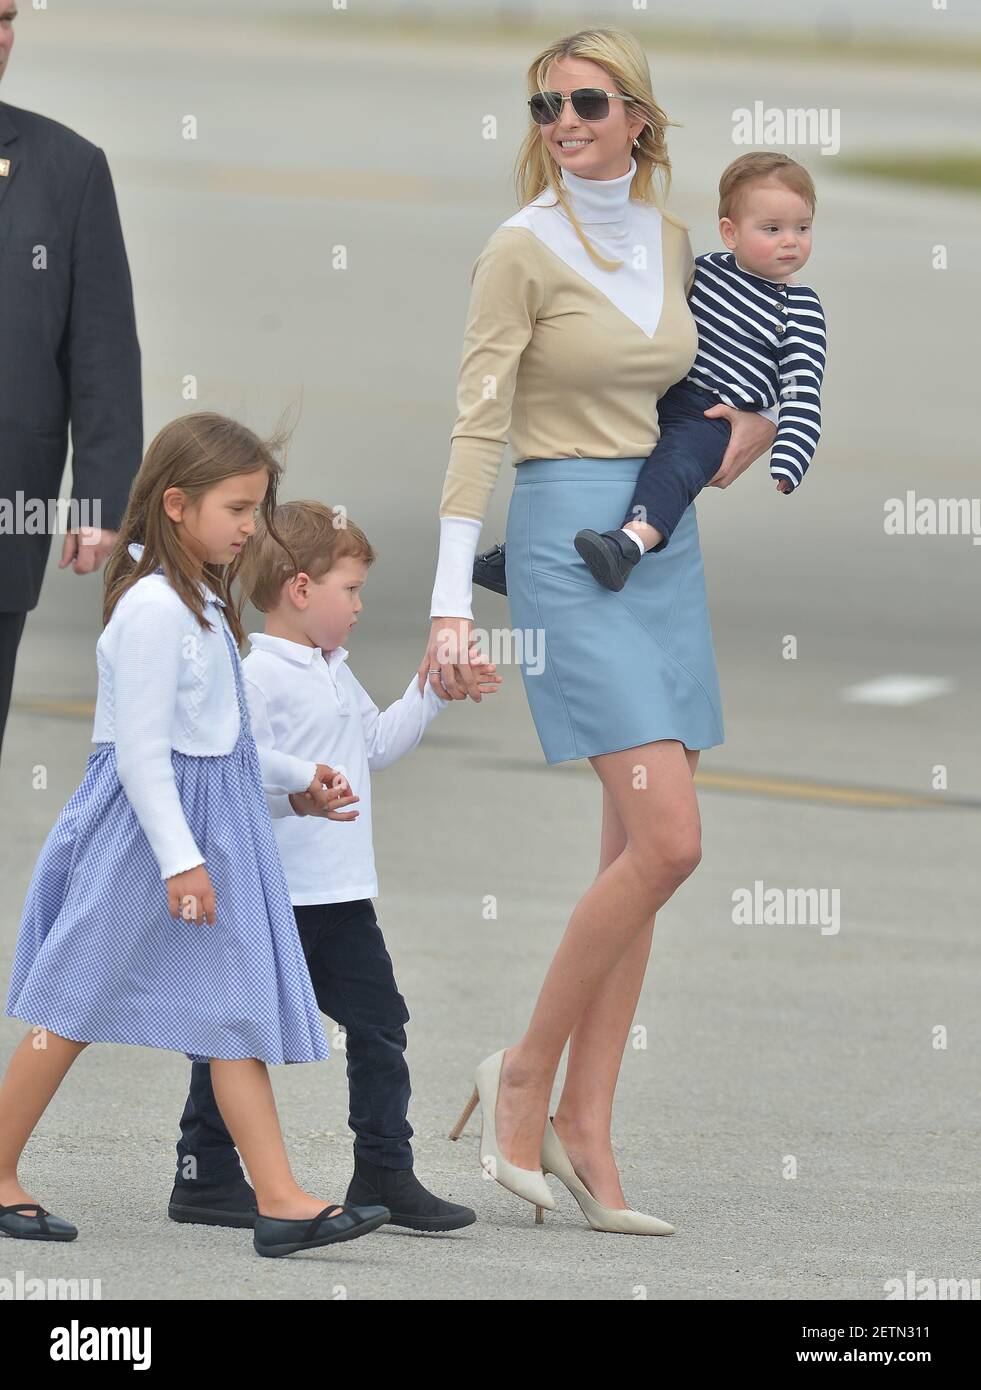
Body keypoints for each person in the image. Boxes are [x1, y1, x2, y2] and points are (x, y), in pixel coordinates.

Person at [426, 28, 778, 1233]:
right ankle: (522, 1074)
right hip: (567, 542)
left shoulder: (678, 243)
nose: (562, 120)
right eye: (543, 104)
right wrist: (443, 603)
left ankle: (589, 1127)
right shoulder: (518, 249)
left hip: (655, 539)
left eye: (585, 100)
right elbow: (476, 428)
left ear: (638, 115)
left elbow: (699, 387)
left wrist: (744, 435)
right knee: (671, 842)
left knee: (628, 857)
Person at [0, 413, 390, 1258]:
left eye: (258, 508)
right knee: (67, 1003)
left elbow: (217, 739)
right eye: (239, 508)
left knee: (232, 1012)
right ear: (177, 504)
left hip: (206, 828)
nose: (254, 528)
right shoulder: (151, 609)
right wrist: (183, 863)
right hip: (145, 837)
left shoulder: (203, 601)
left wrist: (295, 784)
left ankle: (280, 1199)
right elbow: (143, 755)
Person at [170, 500, 498, 1233]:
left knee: (381, 1025)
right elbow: (230, 765)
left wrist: (430, 693)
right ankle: (205, 1174)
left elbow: (374, 744)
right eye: (349, 590)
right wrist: (298, 788)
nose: (357, 607)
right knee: (236, 1034)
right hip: (270, 892)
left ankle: (384, 1168)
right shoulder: (257, 676)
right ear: (299, 590)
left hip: (343, 897)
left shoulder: (330, 671)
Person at [477, 151, 828, 594]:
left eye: (803, 227)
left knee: (674, 468)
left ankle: (630, 547)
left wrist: (789, 456)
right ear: (730, 233)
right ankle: (527, 554)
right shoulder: (705, 271)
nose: (790, 241)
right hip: (665, 390)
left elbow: (802, 390)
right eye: (772, 229)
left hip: (712, 415)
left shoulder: (800, 310)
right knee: (608, 461)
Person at [0, 2, 142, 760]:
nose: (0, 37)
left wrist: (103, 499)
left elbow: (102, 350)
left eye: (5, 18)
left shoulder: (67, 168)